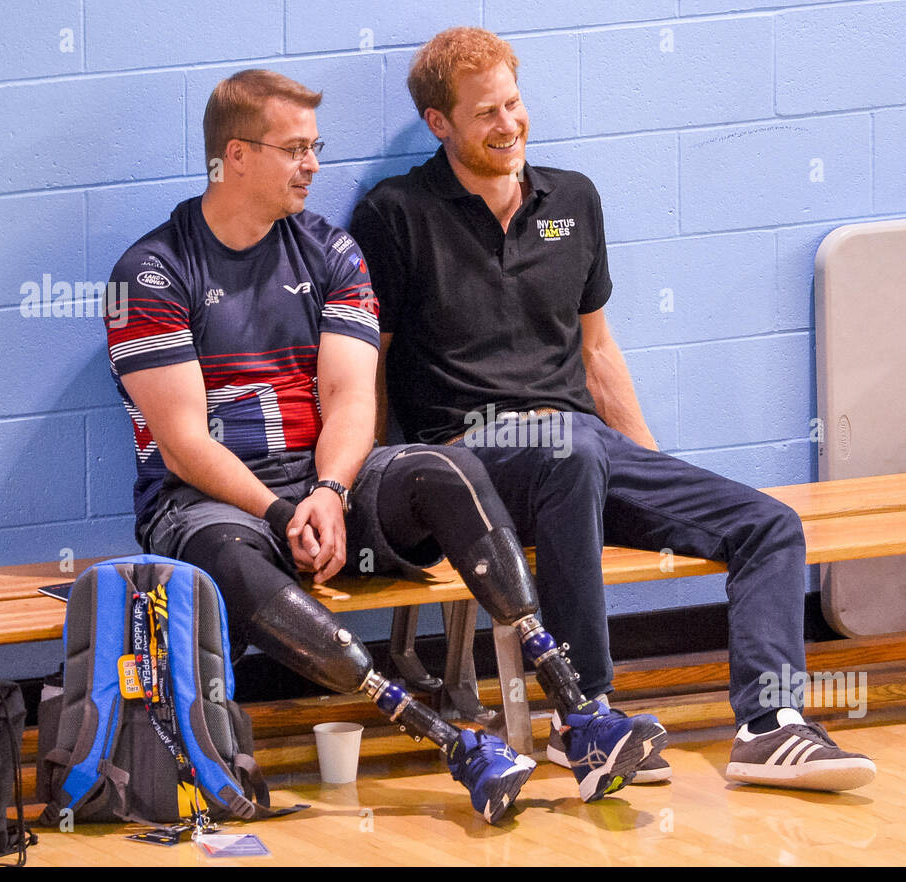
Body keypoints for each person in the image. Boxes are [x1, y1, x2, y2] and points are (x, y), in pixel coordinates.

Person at [103, 69, 667, 825]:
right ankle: (455, 744)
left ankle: (578, 713)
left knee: (446, 468)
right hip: (211, 506)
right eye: (294, 149)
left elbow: (349, 398)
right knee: (223, 557)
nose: (313, 165)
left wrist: (329, 494)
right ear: (235, 156)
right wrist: (282, 511)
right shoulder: (151, 271)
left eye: (316, 146)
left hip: (323, 487)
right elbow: (181, 445)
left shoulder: (332, 250)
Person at [349, 28, 876, 791]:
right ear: (440, 125)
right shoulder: (394, 214)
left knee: (768, 524)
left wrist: (656, 470)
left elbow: (597, 354)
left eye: (514, 103)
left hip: (582, 452)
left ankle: (771, 725)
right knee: (572, 448)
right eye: (485, 114)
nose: (510, 124)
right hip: (474, 462)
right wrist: (366, 485)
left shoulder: (574, 199)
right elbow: (368, 366)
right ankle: (584, 716)